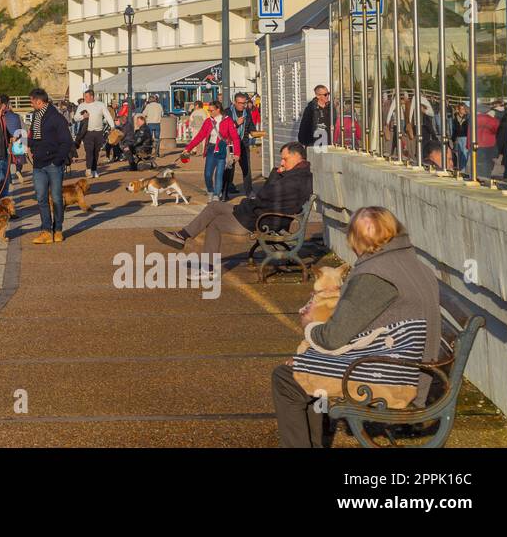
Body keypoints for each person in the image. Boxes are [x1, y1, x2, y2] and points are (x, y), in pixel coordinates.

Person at [271, 206, 440, 448]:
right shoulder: (415, 265)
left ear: (357, 239)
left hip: (393, 378)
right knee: (303, 366)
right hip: (412, 367)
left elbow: (332, 338)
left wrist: (310, 325)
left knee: (287, 378)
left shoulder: (374, 274)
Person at [155, 142, 312, 271]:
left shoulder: (292, 181)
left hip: (260, 221)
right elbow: (265, 197)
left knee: (214, 222)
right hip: (260, 215)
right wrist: (277, 175)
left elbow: (263, 196)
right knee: (214, 206)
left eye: (285, 159)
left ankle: (201, 260)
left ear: (297, 157)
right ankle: (182, 236)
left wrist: (275, 176)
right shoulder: (297, 176)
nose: (282, 163)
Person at [28, 88, 73, 244]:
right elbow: (33, 136)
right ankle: (46, 230)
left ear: (39, 101)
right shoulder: (35, 116)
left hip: (54, 164)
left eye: (31, 101)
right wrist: (31, 148)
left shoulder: (56, 118)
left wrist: (58, 160)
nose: (31, 104)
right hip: (38, 164)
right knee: (41, 198)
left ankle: (58, 229)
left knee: (56, 198)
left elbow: (67, 141)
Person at [182, 102, 240, 202]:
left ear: (218, 110)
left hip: (222, 149)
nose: (209, 112)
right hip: (211, 149)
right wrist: (188, 148)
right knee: (207, 174)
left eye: (211, 110)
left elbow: (235, 138)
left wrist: (237, 153)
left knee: (219, 174)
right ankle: (210, 191)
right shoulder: (208, 121)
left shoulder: (228, 121)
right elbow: (200, 136)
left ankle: (217, 195)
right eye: (208, 110)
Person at [223, 92, 256, 200]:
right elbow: (224, 128)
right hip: (231, 144)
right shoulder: (227, 112)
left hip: (243, 143)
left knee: (246, 168)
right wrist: (236, 123)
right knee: (229, 169)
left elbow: (251, 125)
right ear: (234, 102)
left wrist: (254, 132)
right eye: (240, 103)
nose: (243, 105)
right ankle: (225, 192)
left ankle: (249, 192)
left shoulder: (247, 112)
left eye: (244, 103)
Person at [75, 89, 111, 177]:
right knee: (89, 151)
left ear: (92, 96)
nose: (84, 98)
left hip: (99, 132)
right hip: (88, 132)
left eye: (86, 96)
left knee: (96, 152)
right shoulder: (82, 105)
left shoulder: (100, 105)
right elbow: (75, 118)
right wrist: (82, 116)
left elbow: (107, 115)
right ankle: (88, 170)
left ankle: (94, 170)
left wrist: (112, 126)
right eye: (84, 96)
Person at [475, 101, 502, 180]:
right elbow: (496, 132)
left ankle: (480, 175)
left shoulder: (475, 118)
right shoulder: (494, 120)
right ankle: (487, 175)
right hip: (490, 144)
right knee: (488, 161)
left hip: (478, 143)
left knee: (479, 161)